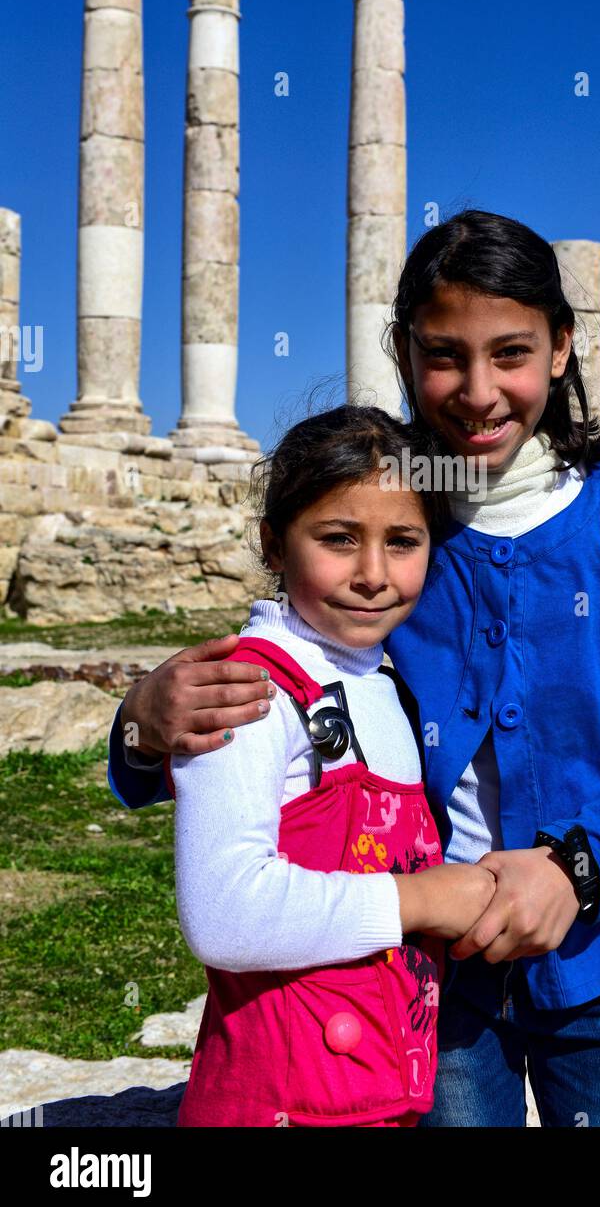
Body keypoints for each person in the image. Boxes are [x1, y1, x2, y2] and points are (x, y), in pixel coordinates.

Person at [107, 208, 600, 1128]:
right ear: (405, 355)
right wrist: (140, 722)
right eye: (445, 355)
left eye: (512, 354)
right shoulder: (397, 522)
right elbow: (283, 692)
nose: (478, 389)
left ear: (563, 348)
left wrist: (574, 871)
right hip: (432, 981)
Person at [150, 404, 497, 1127]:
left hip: (376, 1094)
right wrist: (420, 902)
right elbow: (225, 914)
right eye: (339, 539)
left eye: (403, 541)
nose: (373, 575)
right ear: (275, 546)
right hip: (274, 1102)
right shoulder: (249, 692)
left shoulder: (389, 685)